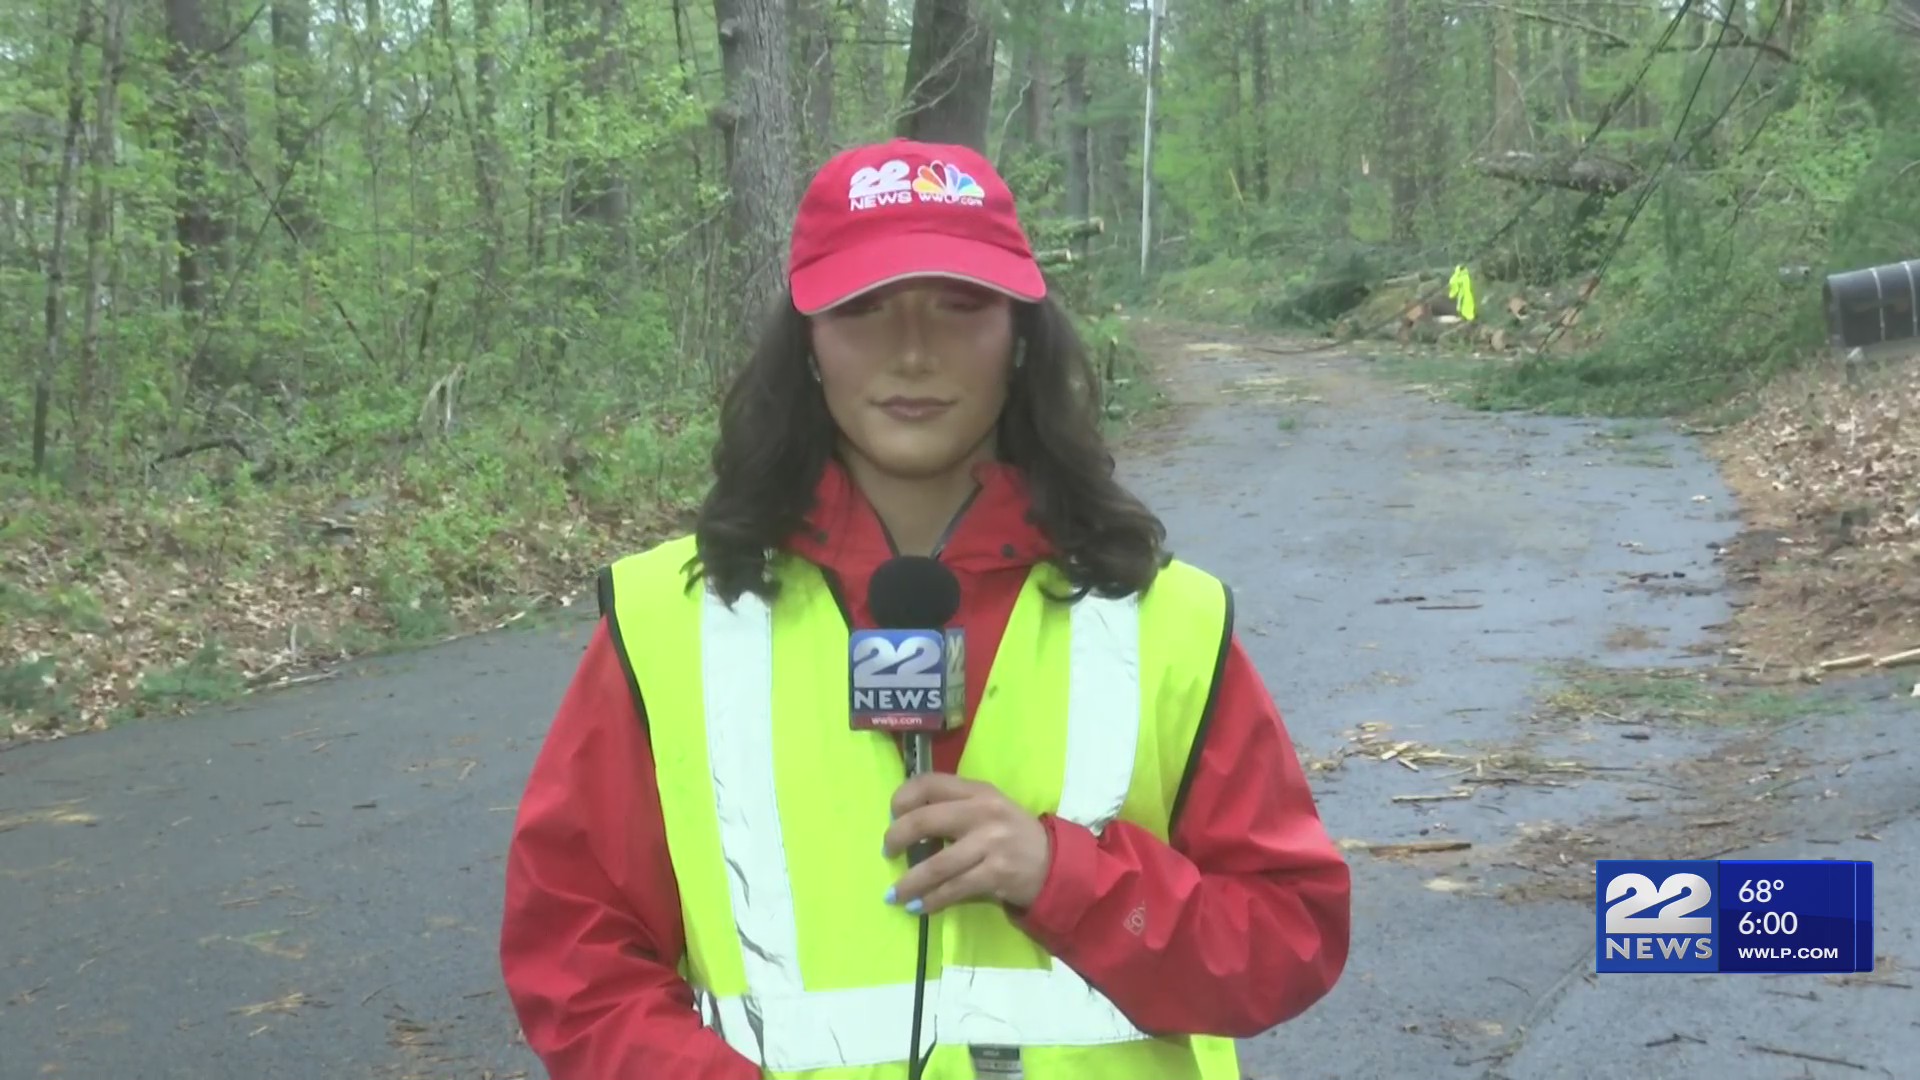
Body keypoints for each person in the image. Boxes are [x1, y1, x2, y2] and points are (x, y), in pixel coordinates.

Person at [498, 138, 1351, 1080]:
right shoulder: (671, 623)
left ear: (1020, 339)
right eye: (862, 308)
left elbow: (1289, 939)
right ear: (807, 345)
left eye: (959, 306)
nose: (911, 353)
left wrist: (1070, 880)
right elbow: (575, 959)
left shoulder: (1164, 621)